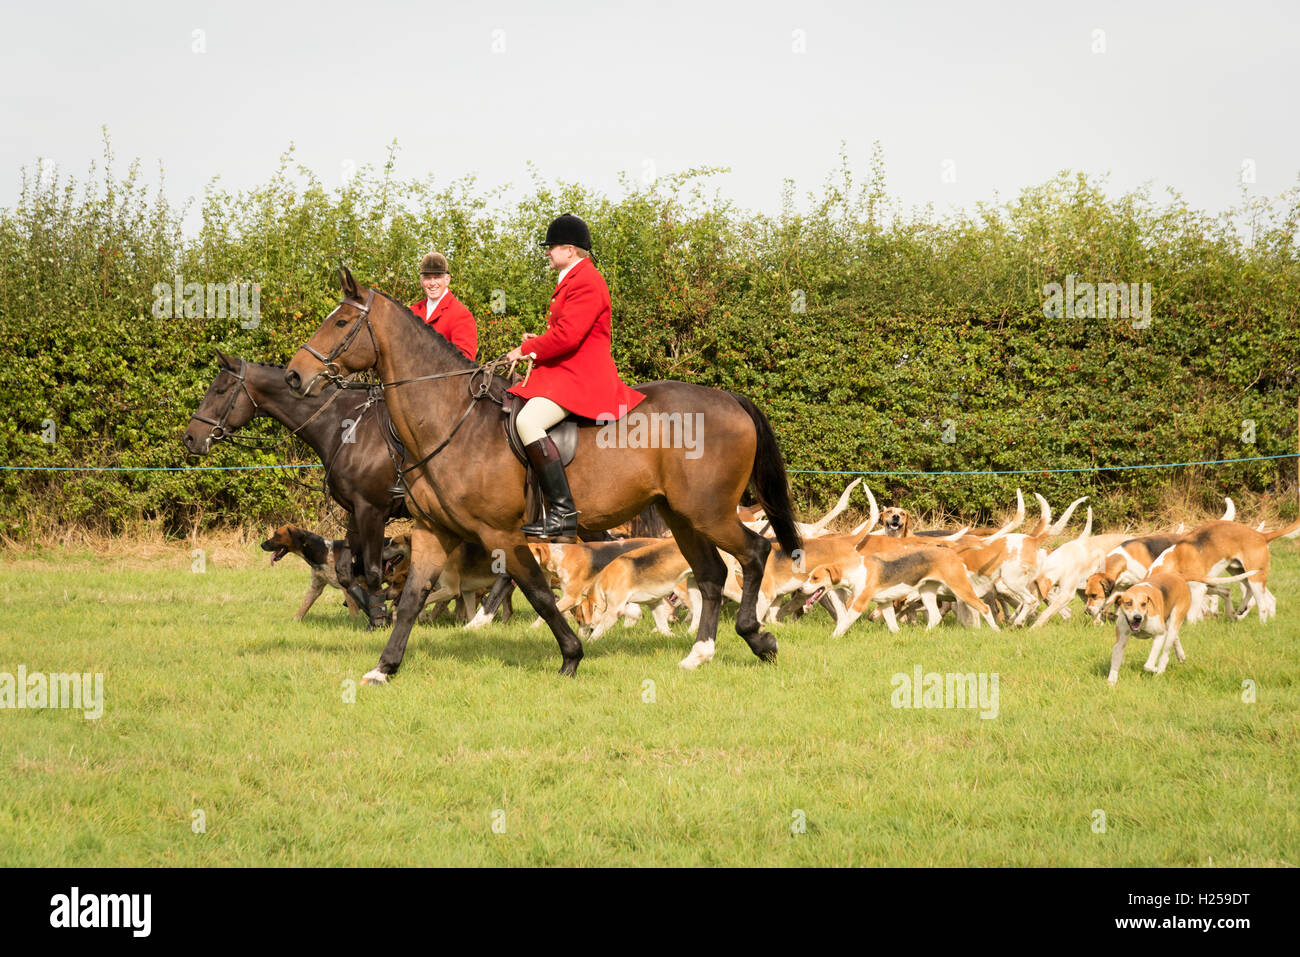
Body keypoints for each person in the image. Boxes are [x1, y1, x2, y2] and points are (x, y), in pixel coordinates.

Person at [504, 214, 646, 540]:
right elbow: (564, 332)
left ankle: (564, 513)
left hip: (582, 376)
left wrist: (527, 348)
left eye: (551, 247)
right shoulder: (572, 277)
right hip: (566, 370)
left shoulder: (586, 281)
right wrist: (540, 340)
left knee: (528, 423)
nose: (547, 253)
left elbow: (568, 337)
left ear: (570, 249)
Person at [409, 252, 477, 361]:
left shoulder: (461, 314)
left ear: (447, 279)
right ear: (421, 281)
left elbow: (465, 362)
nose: (432, 283)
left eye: (437, 277)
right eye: (427, 278)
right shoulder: (413, 311)